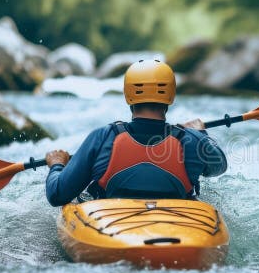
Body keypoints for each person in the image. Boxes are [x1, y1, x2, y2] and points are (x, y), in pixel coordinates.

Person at [44, 59, 227, 206]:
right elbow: (219, 167)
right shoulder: (191, 140)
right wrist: (201, 135)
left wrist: (57, 165)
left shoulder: (102, 137)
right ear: (170, 96)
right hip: (177, 227)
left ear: (128, 95)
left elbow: (57, 195)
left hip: (109, 226)